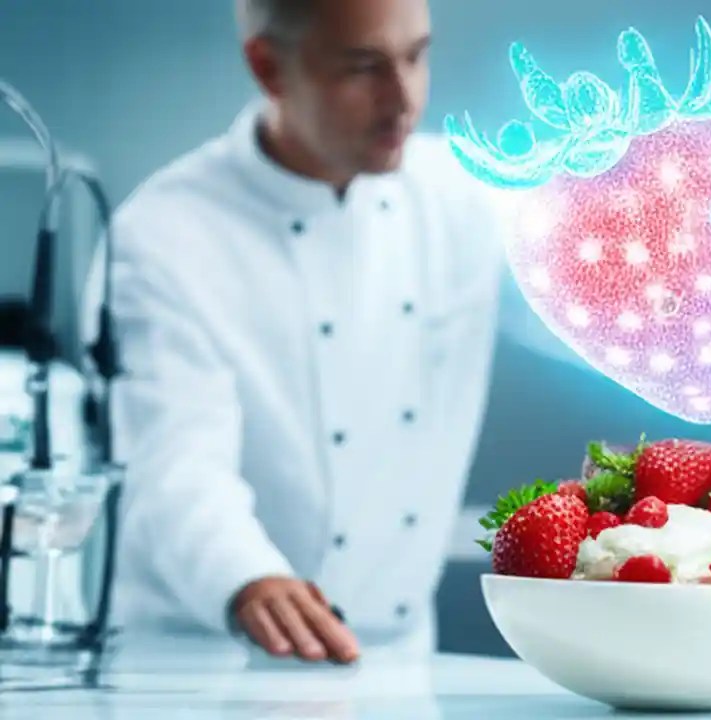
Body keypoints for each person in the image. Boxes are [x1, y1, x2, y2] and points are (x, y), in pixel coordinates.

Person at [92, 0, 502, 663]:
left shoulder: (460, 200)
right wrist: (248, 577)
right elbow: (174, 465)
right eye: (364, 67)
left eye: (416, 55)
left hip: (401, 665)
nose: (404, 98)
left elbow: (575, 299)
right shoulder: (167, 234)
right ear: (269, 67)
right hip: (203, 665)